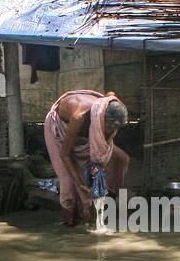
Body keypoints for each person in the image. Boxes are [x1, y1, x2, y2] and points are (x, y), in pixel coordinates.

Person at [43, 90, 129, 226]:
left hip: (84, 135)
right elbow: (64, 154)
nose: (110, 132)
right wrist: (80, 183)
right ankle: (70, 224)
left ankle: (105, 208)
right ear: (102, 118)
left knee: (121, 158)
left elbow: (110, 93)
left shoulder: (111, 104)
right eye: (110, 127)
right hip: (60, 133)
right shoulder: (79, 117)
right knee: (68, 182)